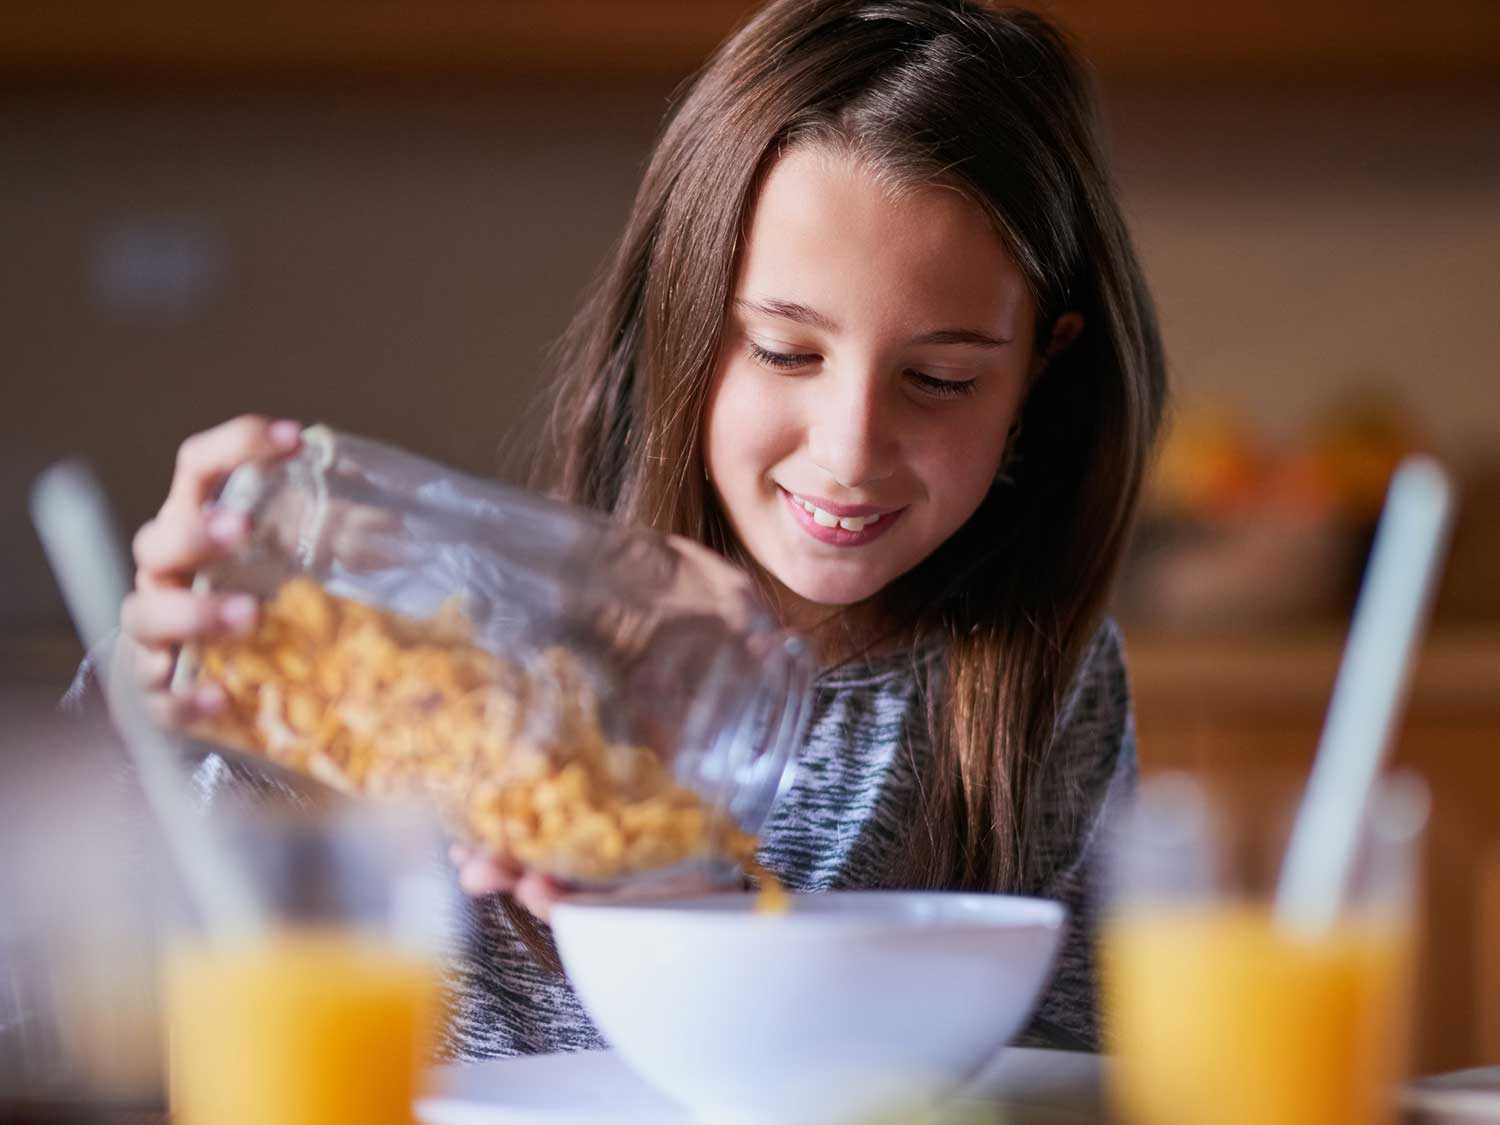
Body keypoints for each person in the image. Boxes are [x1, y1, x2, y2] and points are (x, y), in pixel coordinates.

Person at [109, 0, 1165, 1057]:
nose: (849, 448)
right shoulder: (442, 659)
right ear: (683, 318)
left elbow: (1062, 1085)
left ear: (1038, 369)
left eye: (940, 379)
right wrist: (156, 699)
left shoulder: (1042, 695)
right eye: (785, 353)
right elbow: (110, 996)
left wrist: (678, 924)